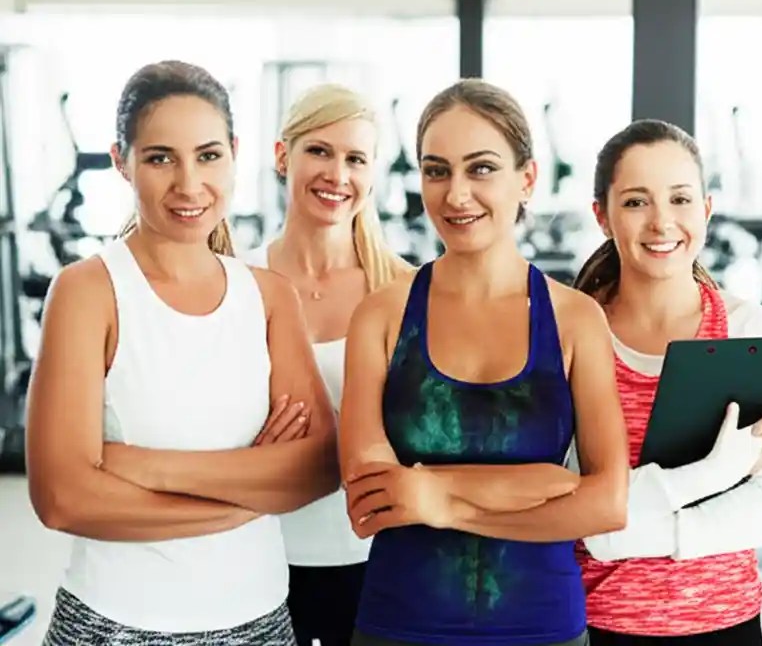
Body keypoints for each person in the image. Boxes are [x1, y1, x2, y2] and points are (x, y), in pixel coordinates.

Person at [26, 60, 338, 645]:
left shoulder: (267, 296)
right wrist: (244, 500)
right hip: (115, 625)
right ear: (122, 162)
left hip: (257, 621)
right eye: (160, 157)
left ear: (235, 153)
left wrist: (142, 465)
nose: (189, 183)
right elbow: (63, 498)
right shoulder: (88, 291)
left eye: (209, 155)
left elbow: (320, 465)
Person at [339, 78, 629, 646]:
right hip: (401, 625)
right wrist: (543, 483)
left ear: (527, 179)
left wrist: (436, 500)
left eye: (481, 169)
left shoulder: (575, 320)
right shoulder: (381, 317)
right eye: (437, 170)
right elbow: (371, 499)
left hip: (541, 627)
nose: (456, 194)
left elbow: (607, 503)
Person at [569, 119, 762, 645]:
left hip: (725, 625)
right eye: (635, 202)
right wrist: (716, 475)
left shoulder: (753, 333)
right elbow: (572, 505)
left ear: (706, 210)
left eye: (680, 199)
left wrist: (624, 532)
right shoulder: (572, 335)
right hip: (595, 626)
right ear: (602, 217)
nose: (662, 223)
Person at [243, 83, 413, 645]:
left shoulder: (408, 291)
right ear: (281, 156)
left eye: (356, 158)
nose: (337, 174)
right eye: (319, 150)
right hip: (257, 559)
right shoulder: (235, 284)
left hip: (377, 561)